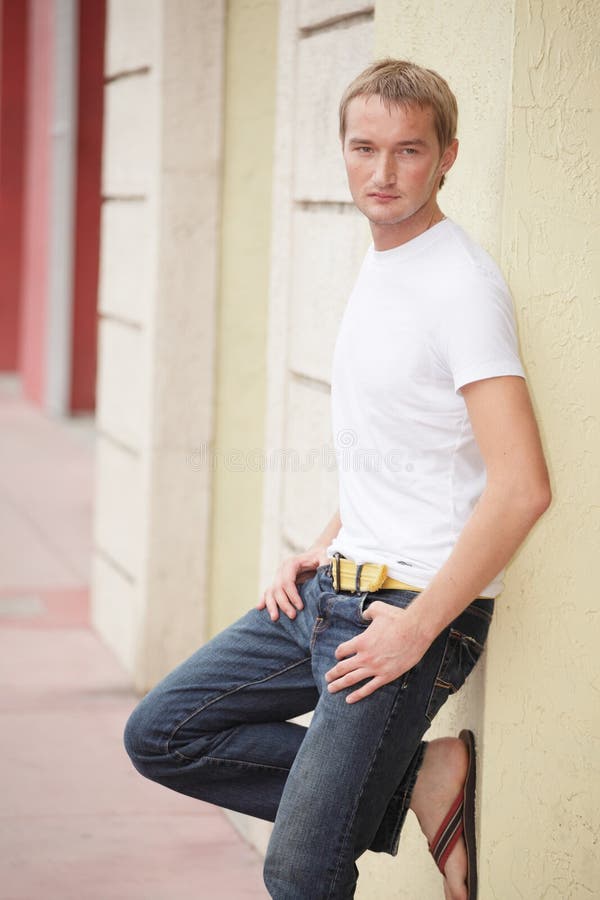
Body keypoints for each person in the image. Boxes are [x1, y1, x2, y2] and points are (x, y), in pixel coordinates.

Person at [124, 59, 551, 900]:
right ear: (344, 152)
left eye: (408, 151)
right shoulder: (383, 262)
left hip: (407, 613)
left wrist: (416, 629)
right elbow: (394, 446)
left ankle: (410, 783)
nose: (383, 173)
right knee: (163, 733)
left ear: (447, 157)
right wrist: (316, 546)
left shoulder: (461, 285)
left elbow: (523, 486)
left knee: (301, 869)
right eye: (365, 149)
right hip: (333, 591)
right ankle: (427, 780)